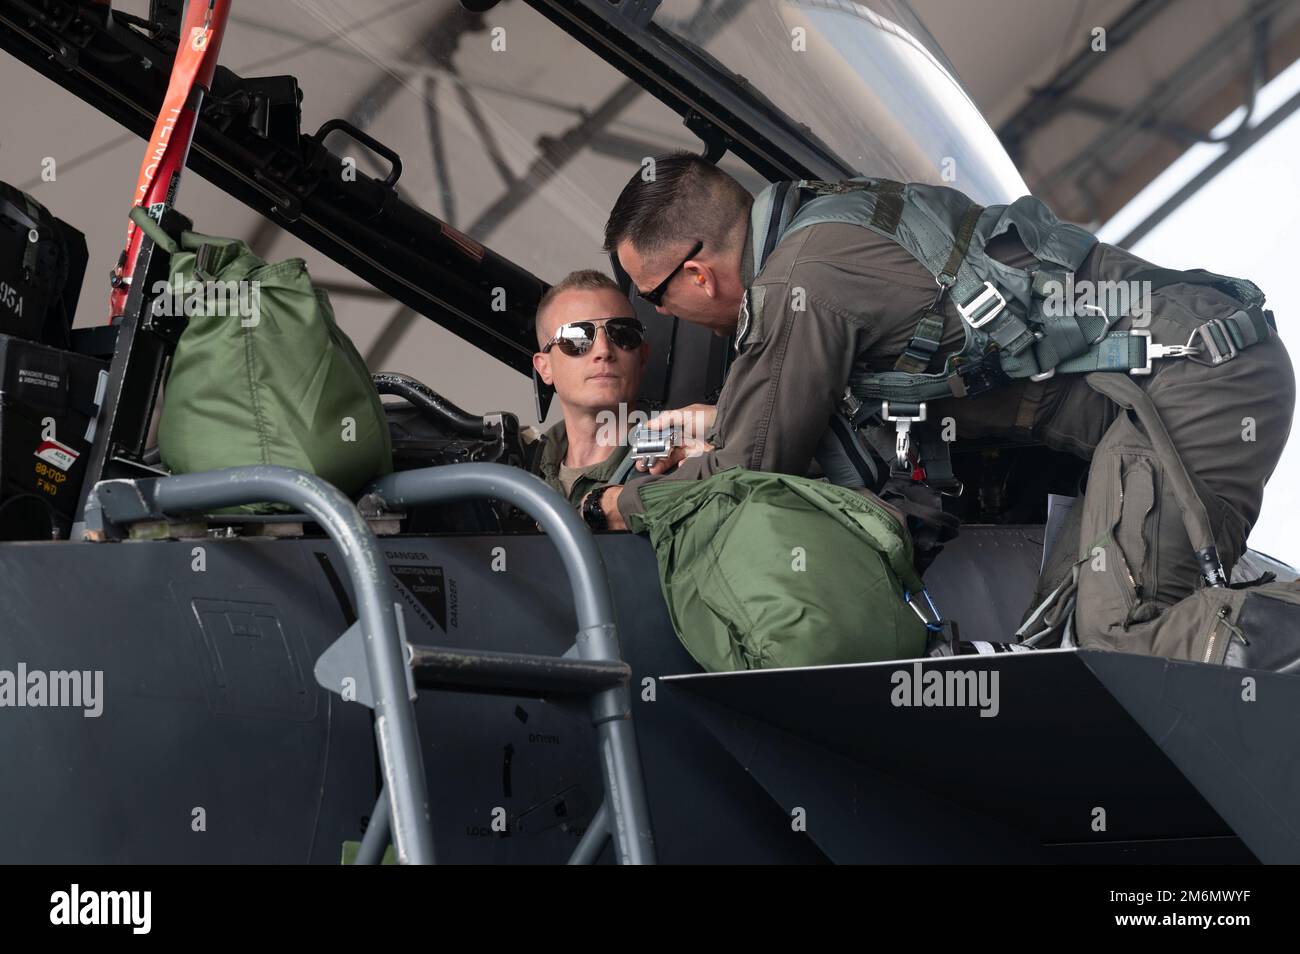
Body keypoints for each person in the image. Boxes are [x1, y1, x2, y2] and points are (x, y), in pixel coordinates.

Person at [583, 151, 1295, 653]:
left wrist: (613, 506)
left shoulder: (799, 284)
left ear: (698, 276)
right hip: (1175, 387)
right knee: (1056, 643)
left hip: (1194, 378)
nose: (662, 315)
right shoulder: (830, 222)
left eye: (652, 301)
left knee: (1118, 637)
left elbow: (741, 478)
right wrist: (720, 426)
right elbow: (813, 427)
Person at [530, 269, 649, 506]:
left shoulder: (678, 465)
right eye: (577, 339)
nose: (604, 351)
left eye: (622, 333)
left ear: (642, 356)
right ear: (545, 368)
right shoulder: (520, 473)